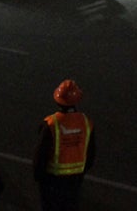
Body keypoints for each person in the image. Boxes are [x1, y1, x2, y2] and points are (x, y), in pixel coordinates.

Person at [33, 79, 95, 210]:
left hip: (52, 179)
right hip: (75, 179)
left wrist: (38, 175)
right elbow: (91, 152)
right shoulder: (86, 122)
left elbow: (41, 154)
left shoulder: (51, 123)